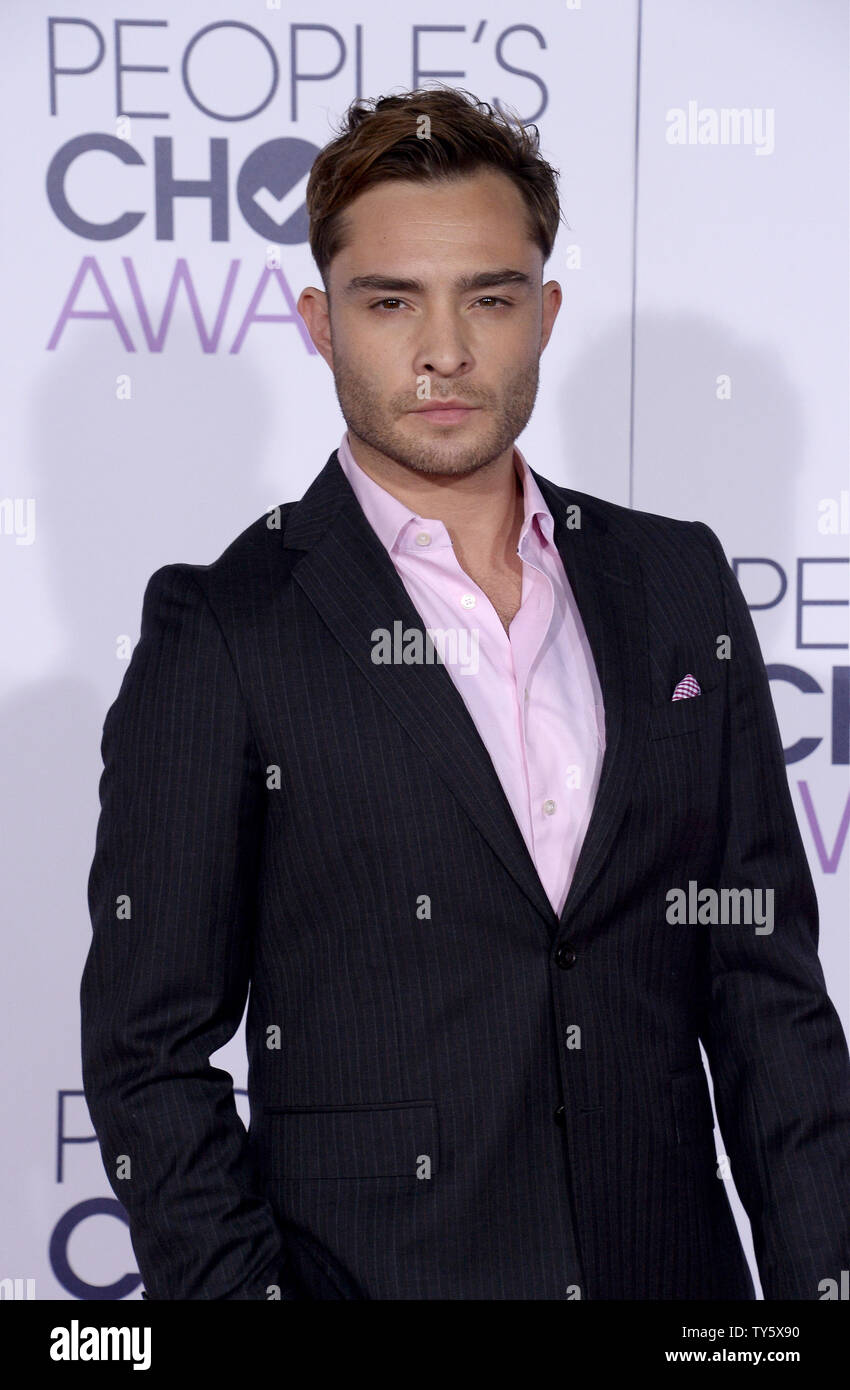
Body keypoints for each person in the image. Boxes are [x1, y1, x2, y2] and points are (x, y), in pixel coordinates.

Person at [81, 85, 850, 1300]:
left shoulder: (673, 579)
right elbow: (145, 1053)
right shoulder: (224, 626)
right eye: (390, 303)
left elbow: (765, 996)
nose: (444, 351)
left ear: (543, 316)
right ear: (321, 324)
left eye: (488, 299)